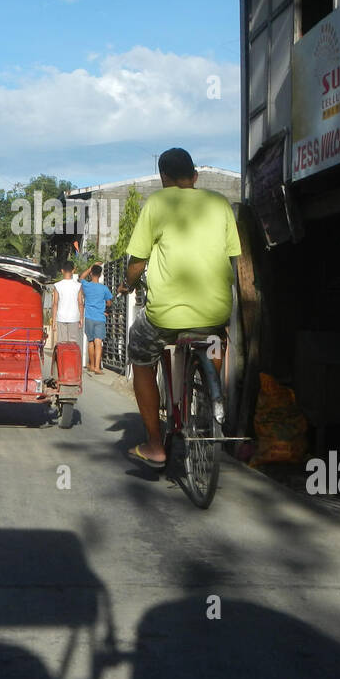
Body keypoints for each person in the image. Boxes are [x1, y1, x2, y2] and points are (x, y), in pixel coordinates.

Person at [122, 148, 240, 468]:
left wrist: (128, 285)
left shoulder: (159, 203)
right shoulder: (219, 203)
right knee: (216, 337)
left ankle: (155, 445)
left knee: (140, 352)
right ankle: (208, 398)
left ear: (164, 178)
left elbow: (137, 263)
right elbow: (235, 258)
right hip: (215, 312)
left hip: (166, 316)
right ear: (195, 176)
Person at [79, 265, 114, 374]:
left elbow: (80, 278)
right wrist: (106, 310)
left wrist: (89, 268)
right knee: (98, 342)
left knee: (90, 342)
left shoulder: (87, 285)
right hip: (100, 318)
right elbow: (109, 302)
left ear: (91, 273)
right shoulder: (104, 289)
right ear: (100, 275)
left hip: (89, 317)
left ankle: (91, 365)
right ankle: (97, 367)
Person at [50, 262, 85, 354]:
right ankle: (71, 364)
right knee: (73, 343)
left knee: (62, 344)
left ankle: (63, 364)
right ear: (73, 270)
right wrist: (81, 318)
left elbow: (55, 303)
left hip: (61, 317)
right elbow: (80, 303)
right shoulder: (78, 286)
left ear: (62, 271)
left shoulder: (57, 285)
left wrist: (54, 320)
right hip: (74, 317)